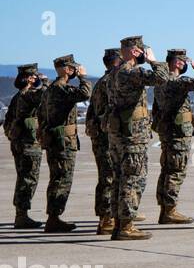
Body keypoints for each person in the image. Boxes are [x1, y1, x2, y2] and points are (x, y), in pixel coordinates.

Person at [107, 36, 170, 240]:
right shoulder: (131, 72)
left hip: (119, 134)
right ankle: (126, 226)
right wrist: (153, 60)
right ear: (136, 51)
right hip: (133, 135)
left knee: (119, 179)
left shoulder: (115, 72)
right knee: (133, 180)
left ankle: (119, 225)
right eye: (142, 51)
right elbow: (162, 77)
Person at [39, 55, 92, 232]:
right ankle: (53, 218)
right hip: (62, 142)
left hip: (56, 140)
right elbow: (85, 93)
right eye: (73, 68)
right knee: (62, 179)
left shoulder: (50, 89)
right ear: (67, 69)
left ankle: (53, 217)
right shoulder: (61, 88)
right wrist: (84, 77)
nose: (76, 71)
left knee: (57, 178)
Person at [154, 48, 194, 224]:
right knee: (176, 171)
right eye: (183, 62)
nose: (185, 65)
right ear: (176, 63)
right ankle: (170, 210)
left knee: (167, 170)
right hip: (178, 133)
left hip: (167, 131)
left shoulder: (159, 83)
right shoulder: (176, 82)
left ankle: (165, 209)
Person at [4, 63, 47, 228]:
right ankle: (22, 216)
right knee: (28, 179)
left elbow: (7, 122)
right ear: (30, 78)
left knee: (23, 178)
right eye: (34, 76)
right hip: (28, 145)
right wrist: (44, 82)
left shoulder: (17, 96)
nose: (36, 79)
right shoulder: (28, 95)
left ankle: (20, 214)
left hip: (19, 143)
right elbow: (45, 95)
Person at [85, 48, 120, 233]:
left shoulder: (101, 82)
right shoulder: (110, 83)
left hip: (101, 135)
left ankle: (109, 215)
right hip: (106, 137)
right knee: (109, 177)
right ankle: (106, 219)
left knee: (107, 177)